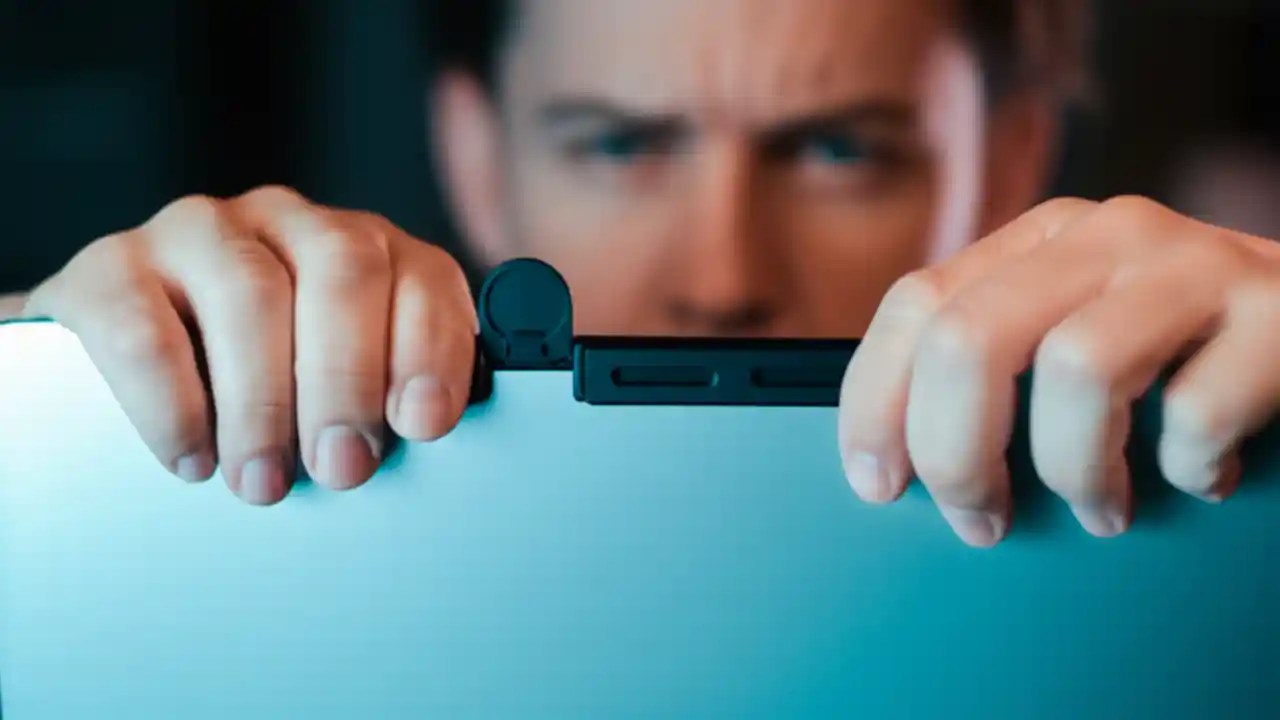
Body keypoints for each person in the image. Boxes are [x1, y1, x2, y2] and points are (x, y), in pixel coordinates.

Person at [5, 0, 1279, 548]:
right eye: (619, 143)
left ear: (1008, 157)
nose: (720, 281)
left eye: (837, 149)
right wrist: (40, 421)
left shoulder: (1195, 494)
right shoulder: (262, 510)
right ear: (473, 152)